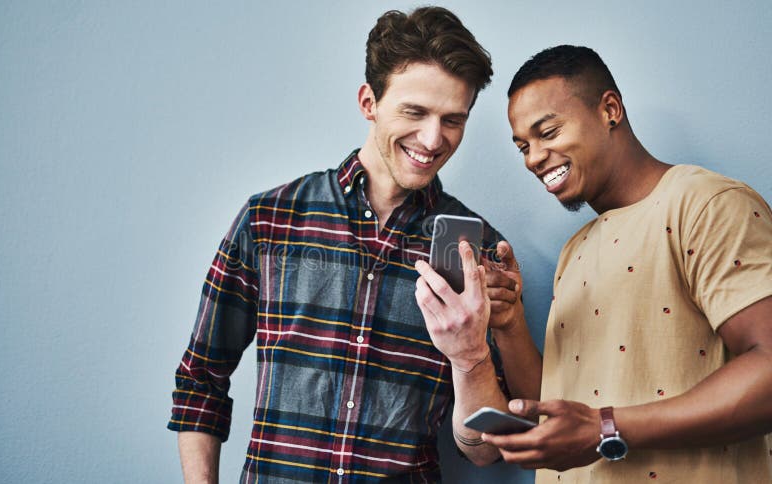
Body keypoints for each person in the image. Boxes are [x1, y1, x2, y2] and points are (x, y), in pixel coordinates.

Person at [167, 7, 533, 482]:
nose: (432, 139)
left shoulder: (477, 251)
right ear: (369, 102)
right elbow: (200, 382)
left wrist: (470, 358)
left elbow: (484, 452)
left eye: (452, 120)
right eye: (415, 112)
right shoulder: (268, 220)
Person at [480, 45, 772, 483]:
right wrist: (509, 323)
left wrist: (606, 428)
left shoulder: (706, 204)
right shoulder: (573, 251)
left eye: (548, 132)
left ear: (609, 110)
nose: (533, 158)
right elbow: (558, 412)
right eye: (523, 146)